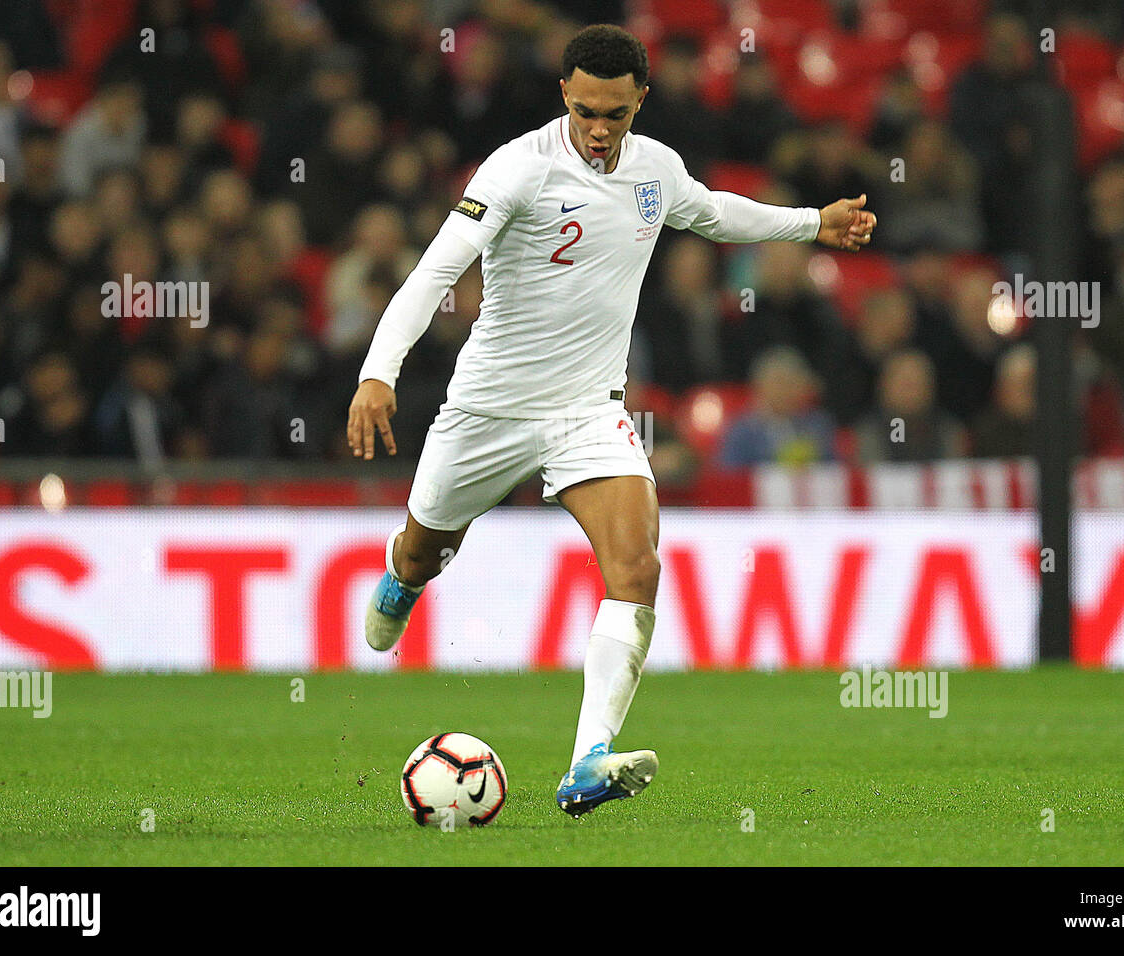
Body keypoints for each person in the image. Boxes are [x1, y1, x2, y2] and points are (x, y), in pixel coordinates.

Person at [346, 24, 877, 818]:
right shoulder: (517, 169)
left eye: (617, 114)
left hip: (588, 409)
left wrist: (810, 224)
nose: (600, 129)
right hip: (489, 406)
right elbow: (435, 272)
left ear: (640, 103)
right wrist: (377, 372)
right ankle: (404, 571)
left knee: (637, 569)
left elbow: (713, 212)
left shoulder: (656, 169)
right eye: (587, 111)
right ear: (564, 94)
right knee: (427, 550)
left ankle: (587, 761)